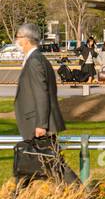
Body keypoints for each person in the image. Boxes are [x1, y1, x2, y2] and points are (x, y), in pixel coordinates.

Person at [12, 22, 66, 173]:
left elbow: (41, 93)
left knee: (53, 168)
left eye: (18, 37)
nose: (17, 41)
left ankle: (75, 191)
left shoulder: (34, 61)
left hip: (39, 126)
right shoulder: (38, 59)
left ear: (27, 40)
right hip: (38, 123)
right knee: (48, 167)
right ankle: (21, 192)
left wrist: (41, 125)